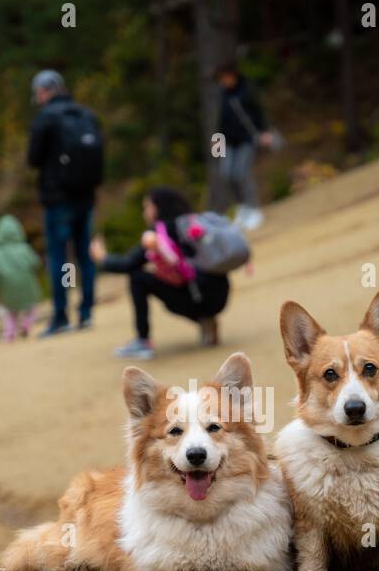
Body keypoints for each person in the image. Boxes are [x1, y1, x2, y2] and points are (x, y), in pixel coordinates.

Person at [90, 187, 229, 361]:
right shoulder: (192, 223)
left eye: (146, 207)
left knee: (138, 277)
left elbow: (128, 264)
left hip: (195, 298)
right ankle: (205, 319)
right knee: (167, 279)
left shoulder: (158, 232)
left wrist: (102, 258)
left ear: (157, 208)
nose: (144, 213)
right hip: (220, 295)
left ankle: (142, 340)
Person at [26, 69, 103, 337]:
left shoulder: (46, 118)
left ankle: (60, 316)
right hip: (86, 195)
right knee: (84, 255)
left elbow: (33, 159)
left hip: (58, 198)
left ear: (43, 91)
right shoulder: (86, 114)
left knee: (59, 257)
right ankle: (86, 313)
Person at [215, 63, 274, 232]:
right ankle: (242, 208)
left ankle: (254, 209)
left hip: (247, 139)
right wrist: (217, 141)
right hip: (228, 141)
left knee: (241, 173)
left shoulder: (246, 91)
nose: (224, 81)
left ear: (233, 75)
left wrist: (265, 132)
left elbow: (258, 113)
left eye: (226, 77)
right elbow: (221, 121)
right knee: (226, 174)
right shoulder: (223, 94)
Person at [0, 215, 43, 342]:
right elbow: (36, 263)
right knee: (31, 307)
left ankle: (9, 334)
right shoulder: (24, 248)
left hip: (7, 290)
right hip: (27, 287)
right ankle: (26, 324)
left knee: (10, 313)